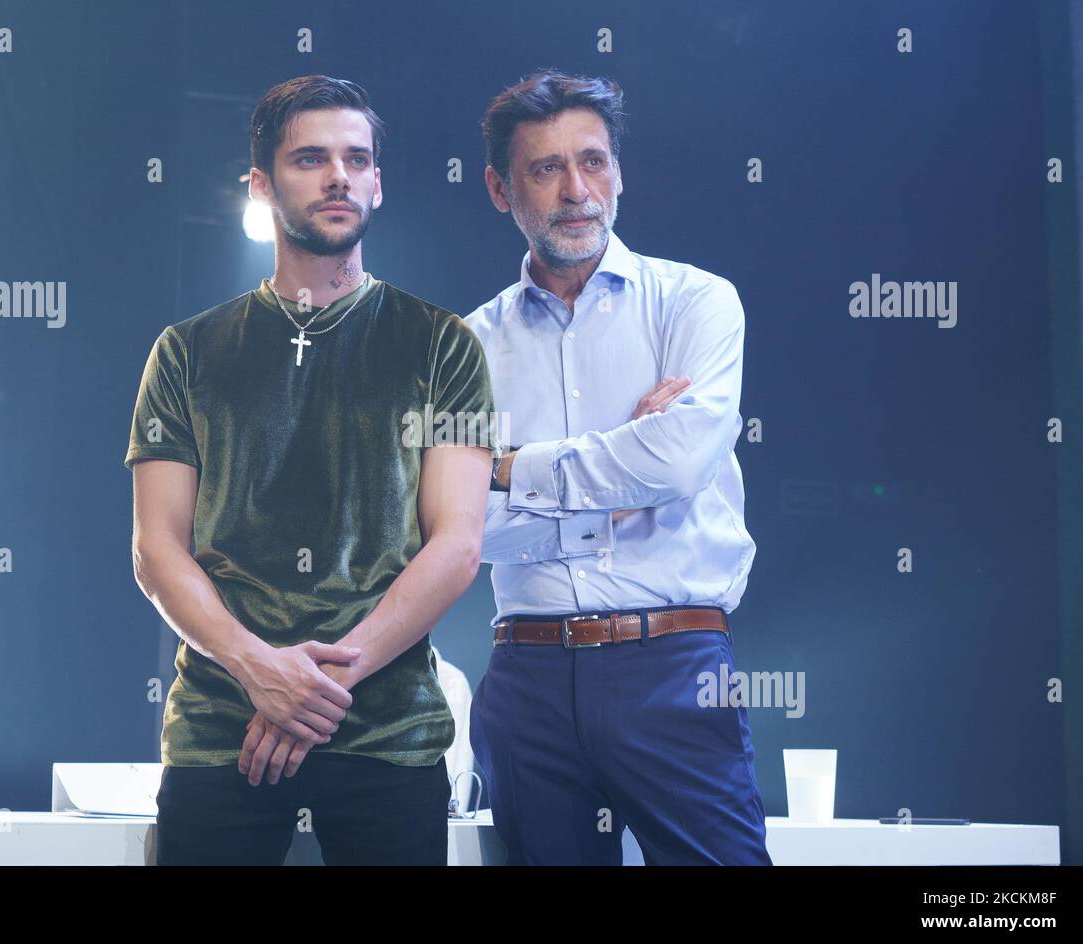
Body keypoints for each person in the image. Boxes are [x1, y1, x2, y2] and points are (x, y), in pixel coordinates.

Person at [125, 75, 495, 865]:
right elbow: (157, 549)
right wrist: (260, 670)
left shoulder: (445, 344)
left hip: (388, 731)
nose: (338, 176)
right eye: (310, 159)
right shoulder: (185, 352)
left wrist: (309, 692)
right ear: (261, 186)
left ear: (379, 183)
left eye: (356, 159)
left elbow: (457, 544)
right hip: (221, 728)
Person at [463, 69, 771, 865]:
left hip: (673, 664)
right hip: (524, 679)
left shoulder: (697, 302)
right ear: (500, 189)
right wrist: (623, 459)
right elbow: (460, 526)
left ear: (619, 172)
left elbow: (675, 462)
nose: (576, 190)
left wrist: (509, 469)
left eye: (593, 162)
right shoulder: (464, 347)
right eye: (545, 169)